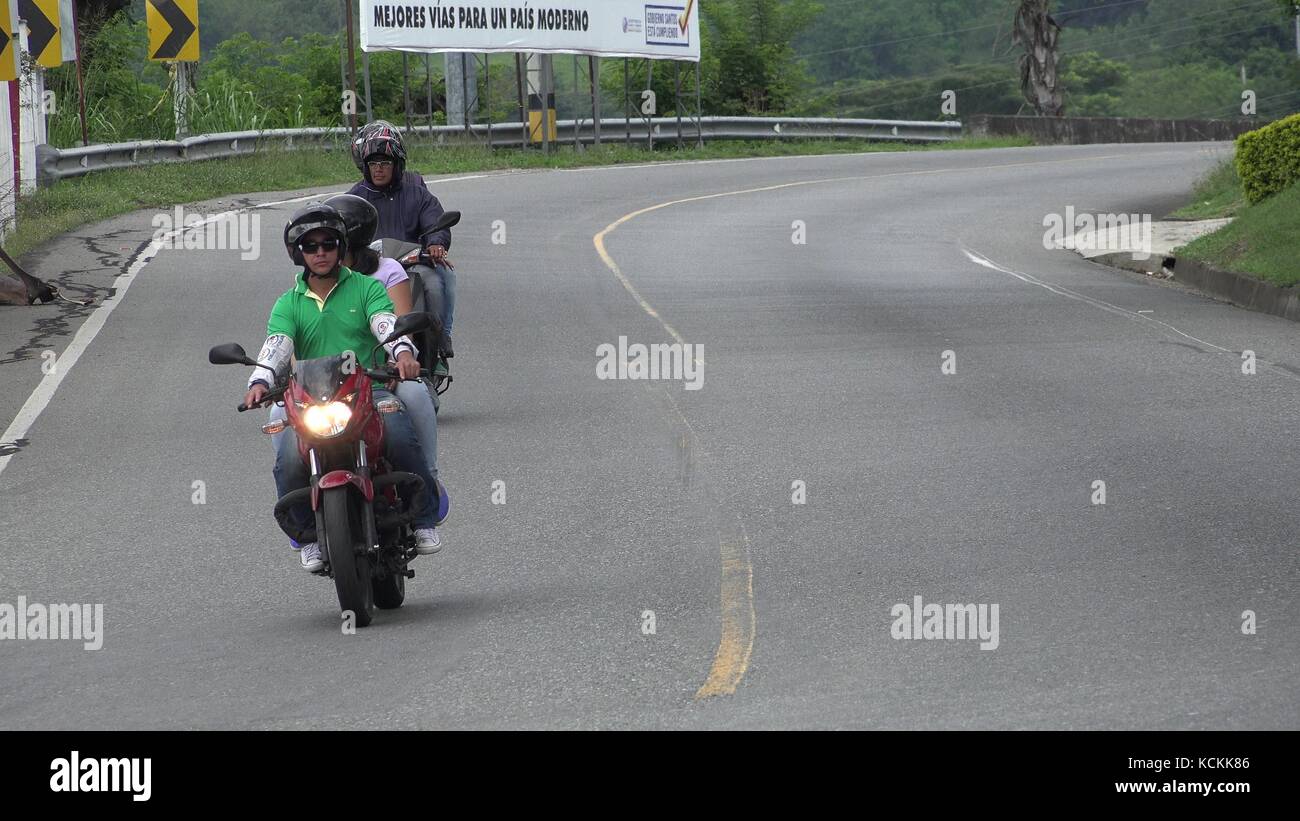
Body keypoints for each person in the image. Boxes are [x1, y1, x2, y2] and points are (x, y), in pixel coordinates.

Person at [243, 202, 442, 572]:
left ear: (341, 246)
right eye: (311, 246)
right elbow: (277, 344)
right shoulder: (289, 302)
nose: (320, 252)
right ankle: (306, 536)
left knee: (398, 434)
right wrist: (260, 380)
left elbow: (385, 324)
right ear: (298, 254)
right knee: (287, 458)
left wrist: (401, 352)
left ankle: (424, 519)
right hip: (309, 399)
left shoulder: (366, 288)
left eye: (328, 243)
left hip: (368, 388)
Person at [347, 121, 458, 372]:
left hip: (414, 266)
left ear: (397, 165)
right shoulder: (356, 197)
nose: (379, 169)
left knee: (434, 284)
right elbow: (341, 228)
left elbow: (435, 221)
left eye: (385, 163)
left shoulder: (417, 194)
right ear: (365, 166)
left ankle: (438, 344)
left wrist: (436, 243)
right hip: (370, 269)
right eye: (373, 163)